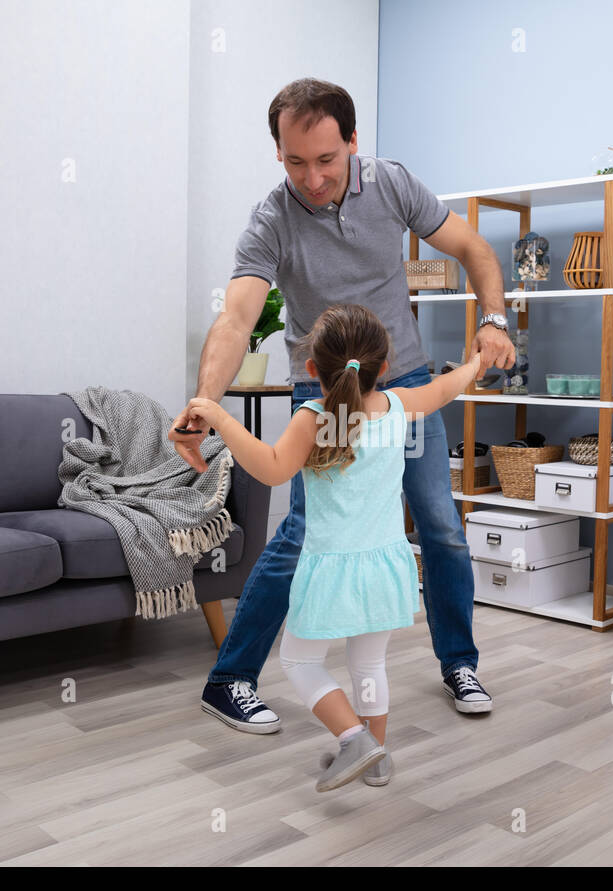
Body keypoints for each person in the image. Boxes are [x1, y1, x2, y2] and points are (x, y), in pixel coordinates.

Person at [171, 77, 516, 734]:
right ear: (279, 153)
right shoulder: (272, 220)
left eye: (326, 159)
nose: (313, 177)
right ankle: (232, 678)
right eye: (295, 161)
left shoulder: (391, 185)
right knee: (305, 533)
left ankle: (460, 663)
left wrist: (495, 319)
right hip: (322, 393)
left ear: (353, 142)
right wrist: (203, 402)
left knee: (439, 526)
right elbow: (238, 316)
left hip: (402, 382)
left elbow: (473, 249)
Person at [186, 304, 485, 790]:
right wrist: (474, 364)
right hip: (388, 567)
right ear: (384, 368)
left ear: (311, 371)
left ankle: (354, 740)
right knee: (368, 664)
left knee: (300, 661)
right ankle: (378, 758)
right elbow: (446, 387)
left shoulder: (313, 416)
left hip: (330, 573)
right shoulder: (399, 406)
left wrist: (218, 414)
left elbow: (271, 468)